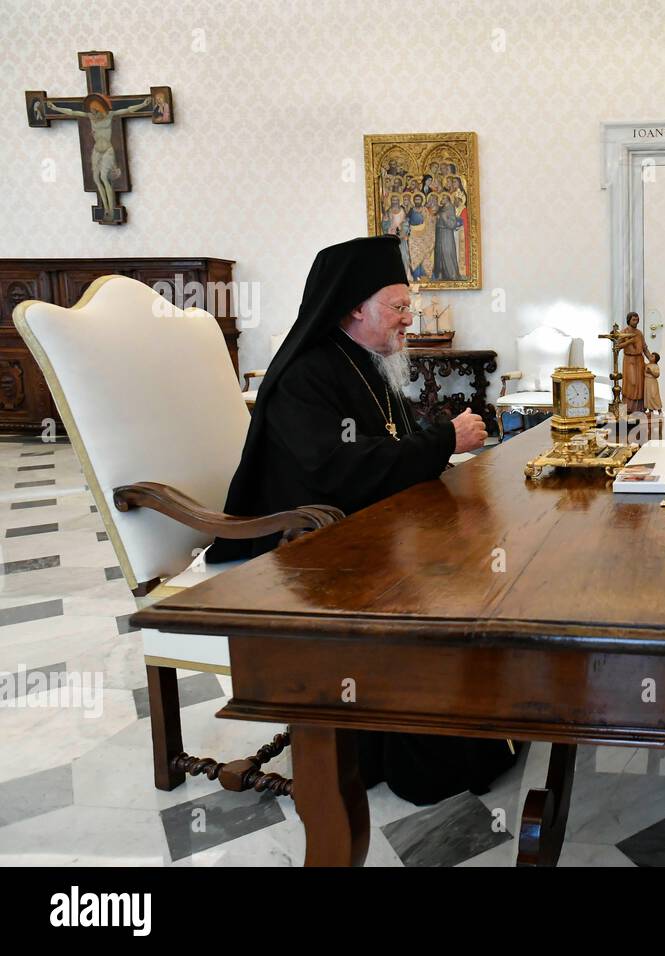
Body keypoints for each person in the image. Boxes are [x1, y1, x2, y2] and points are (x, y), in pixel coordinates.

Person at [207, 236, 514, 805]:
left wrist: (436, 445)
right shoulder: (306, 374)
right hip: (298, 548)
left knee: (467, 572)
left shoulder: (369, 364)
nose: (409, 319)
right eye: (398, 307)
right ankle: (409, 754)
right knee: (430, 590)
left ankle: (471, 721)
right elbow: (339, 470)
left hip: (360, 528)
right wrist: (443, 439)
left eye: (408, 306)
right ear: (355, 307)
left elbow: (383, 452)